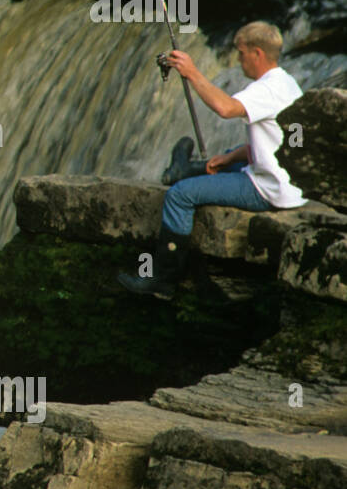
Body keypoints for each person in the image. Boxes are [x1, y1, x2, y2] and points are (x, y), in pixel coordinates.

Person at [118, 21, 307, 297]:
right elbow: (275, 140)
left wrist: (192, 73)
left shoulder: (266, 91)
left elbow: (225, 108)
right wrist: (230, 156)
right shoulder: (286, 83)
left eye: (241, 54)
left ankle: (162, 280)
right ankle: (185, 169)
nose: (239, 60)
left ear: (257, 53)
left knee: (179, 196)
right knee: (230, 154)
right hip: (289, 181)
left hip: (268, 189)